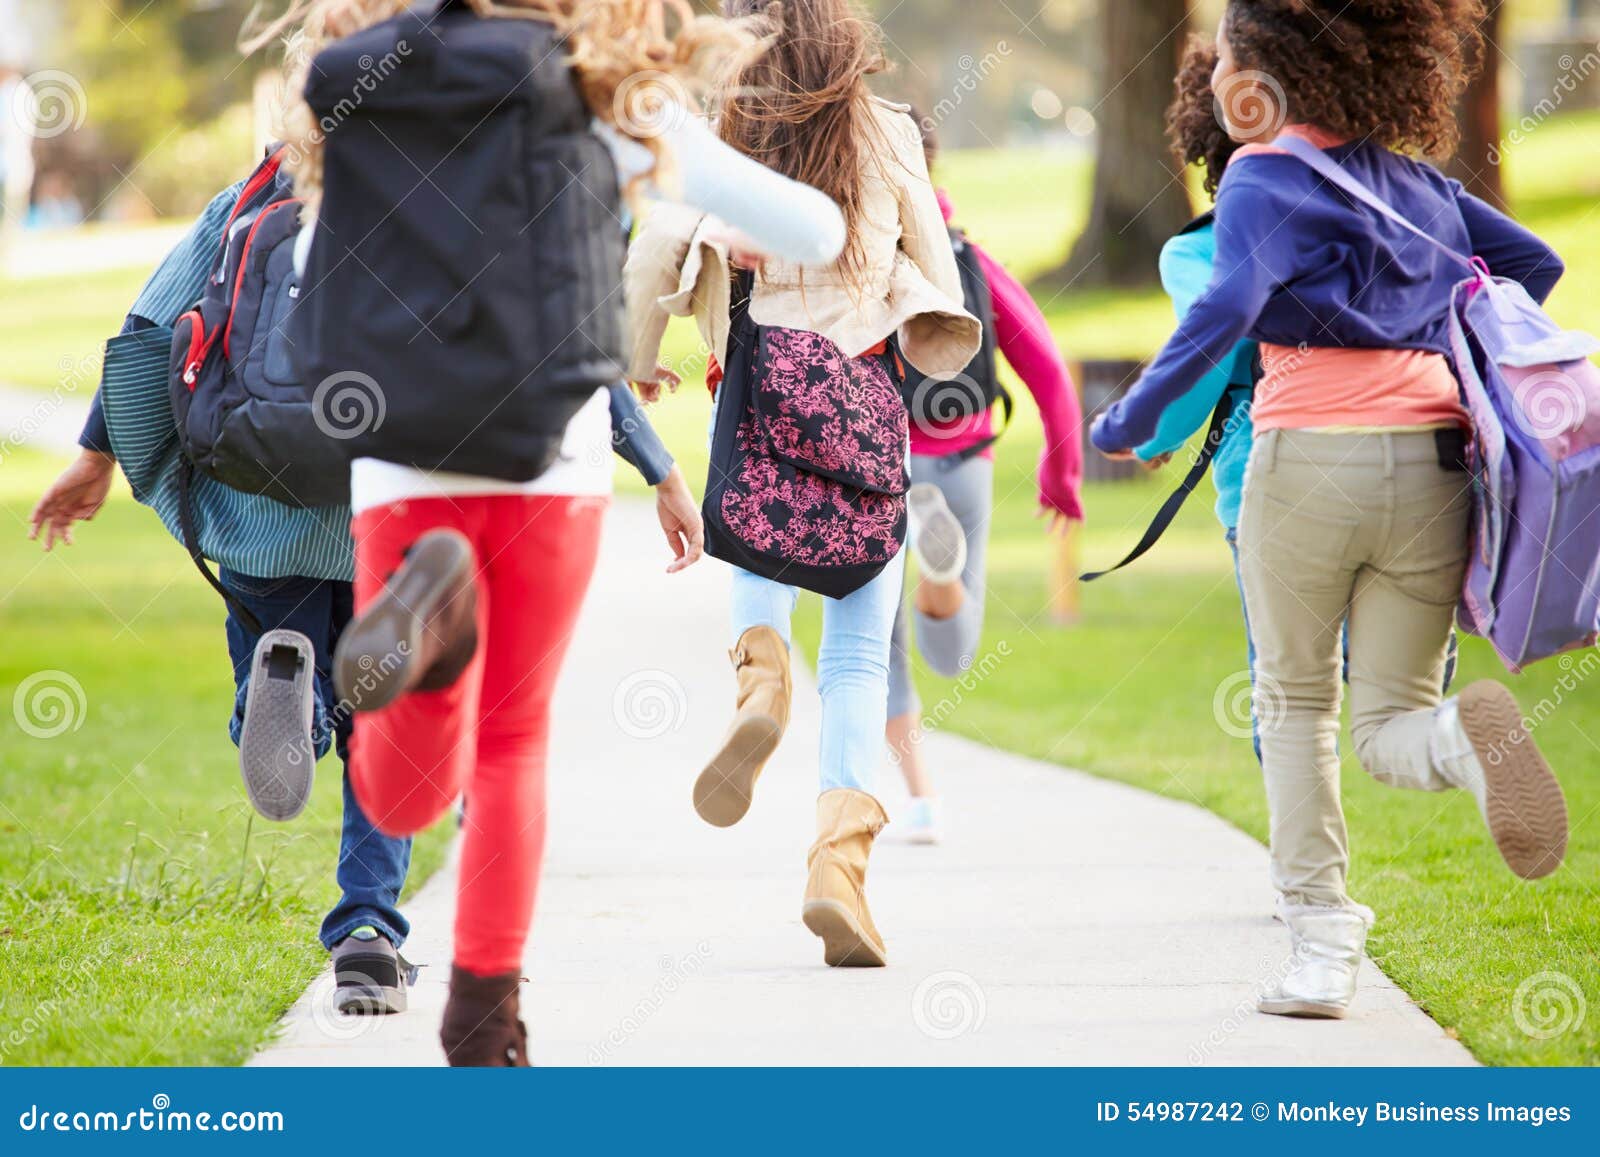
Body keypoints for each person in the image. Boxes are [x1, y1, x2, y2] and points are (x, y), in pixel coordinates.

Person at [293, 0, 847, 1063]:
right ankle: (485, 1013)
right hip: (549, 456)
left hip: (397, 453)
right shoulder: (606, 86)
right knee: (509, 740)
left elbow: (313, 266)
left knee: (401, 781)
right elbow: (815, 231)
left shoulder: (361, 80)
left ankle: (423, 627)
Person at [1090, 0, 1570, 1020]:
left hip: (1308, 461)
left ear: (1260, 69)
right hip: (1434, 471)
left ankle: (1320, 945)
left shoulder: (1262, 173)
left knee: (1295, 705)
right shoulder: (1417, 185)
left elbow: (1220, 308)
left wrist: (1126, 421)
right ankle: (1460, 738)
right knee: (1388, 718)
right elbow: (1532, 267)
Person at [626, 0, 981, 968]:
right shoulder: (892, 131)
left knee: (753, 539)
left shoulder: (717, 136)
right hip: (862, 405)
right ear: (843, 39)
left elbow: (655, 245)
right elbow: (937, 268)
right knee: (862, 654)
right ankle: (838, 867)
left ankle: (758, 682)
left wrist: (638, 357)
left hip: (757, 397)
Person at [885, 117, 1085, 845]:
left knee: (881, 644)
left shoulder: (861, 261)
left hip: (882, 471)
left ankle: (922, 798)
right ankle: (943, 580)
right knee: (954, 652)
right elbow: (1048, 370)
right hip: (965, 459)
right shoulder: (970, 257)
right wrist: (1061, 473)